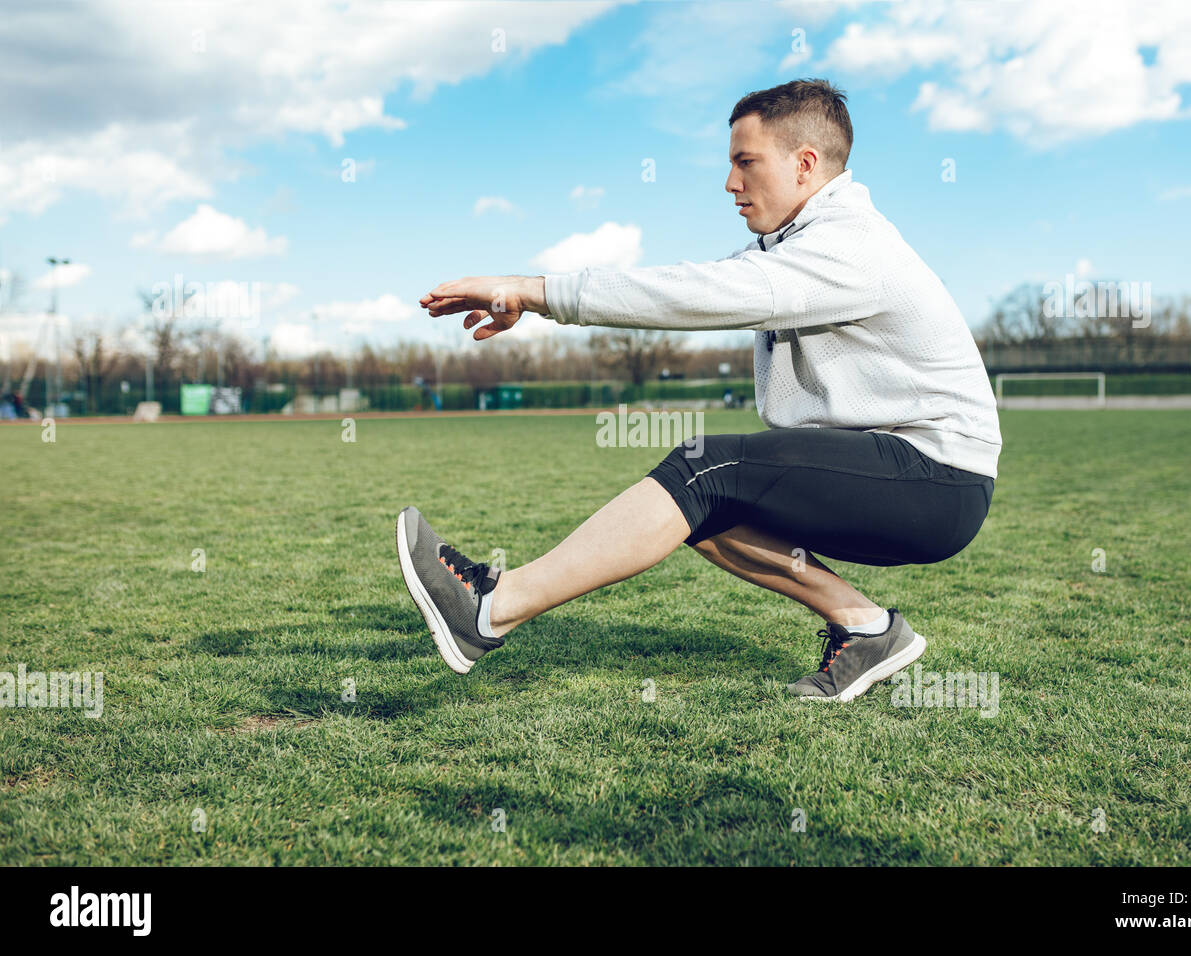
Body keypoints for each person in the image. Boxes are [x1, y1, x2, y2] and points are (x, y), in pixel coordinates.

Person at [398, 79, 1001, 703]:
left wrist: (533, 291)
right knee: (706, 504)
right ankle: (868, 628)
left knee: (704, 466)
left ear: (805, 165)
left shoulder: (849, 246)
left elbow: (696, 295)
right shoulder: (797, 246)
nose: (730, 183)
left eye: (746, 162)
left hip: (937, 479)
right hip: (907, 472)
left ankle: (492, 609)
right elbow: (700, 285)